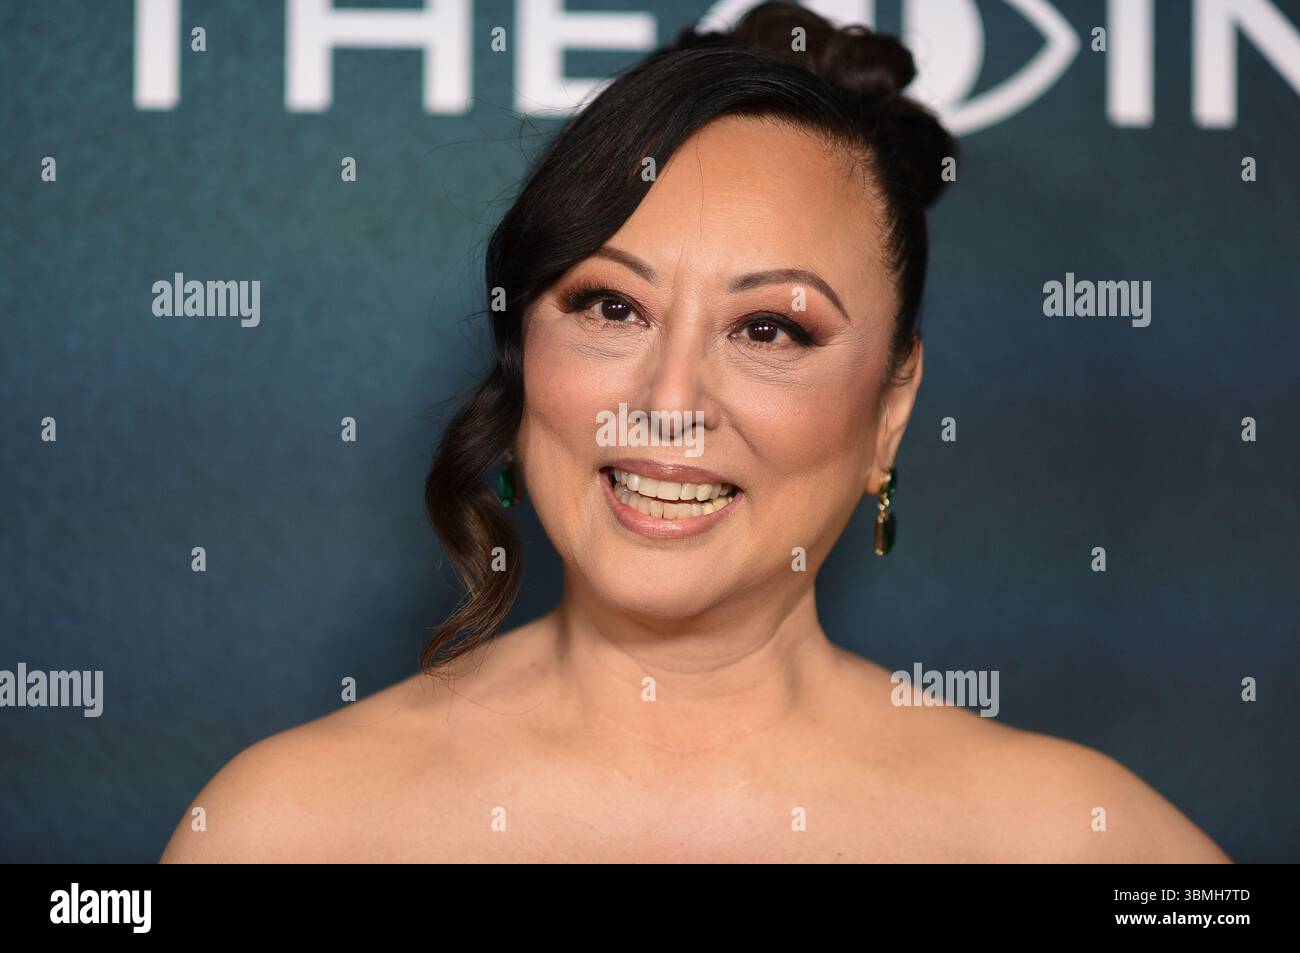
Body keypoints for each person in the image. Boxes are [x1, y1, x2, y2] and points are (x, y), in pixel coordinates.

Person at [162, 2, 1229, 863]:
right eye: (610, 306)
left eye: (770, 327)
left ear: (891, 406)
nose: (668, 399)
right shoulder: (287, 827)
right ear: (522, 348)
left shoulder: (1071, 838)